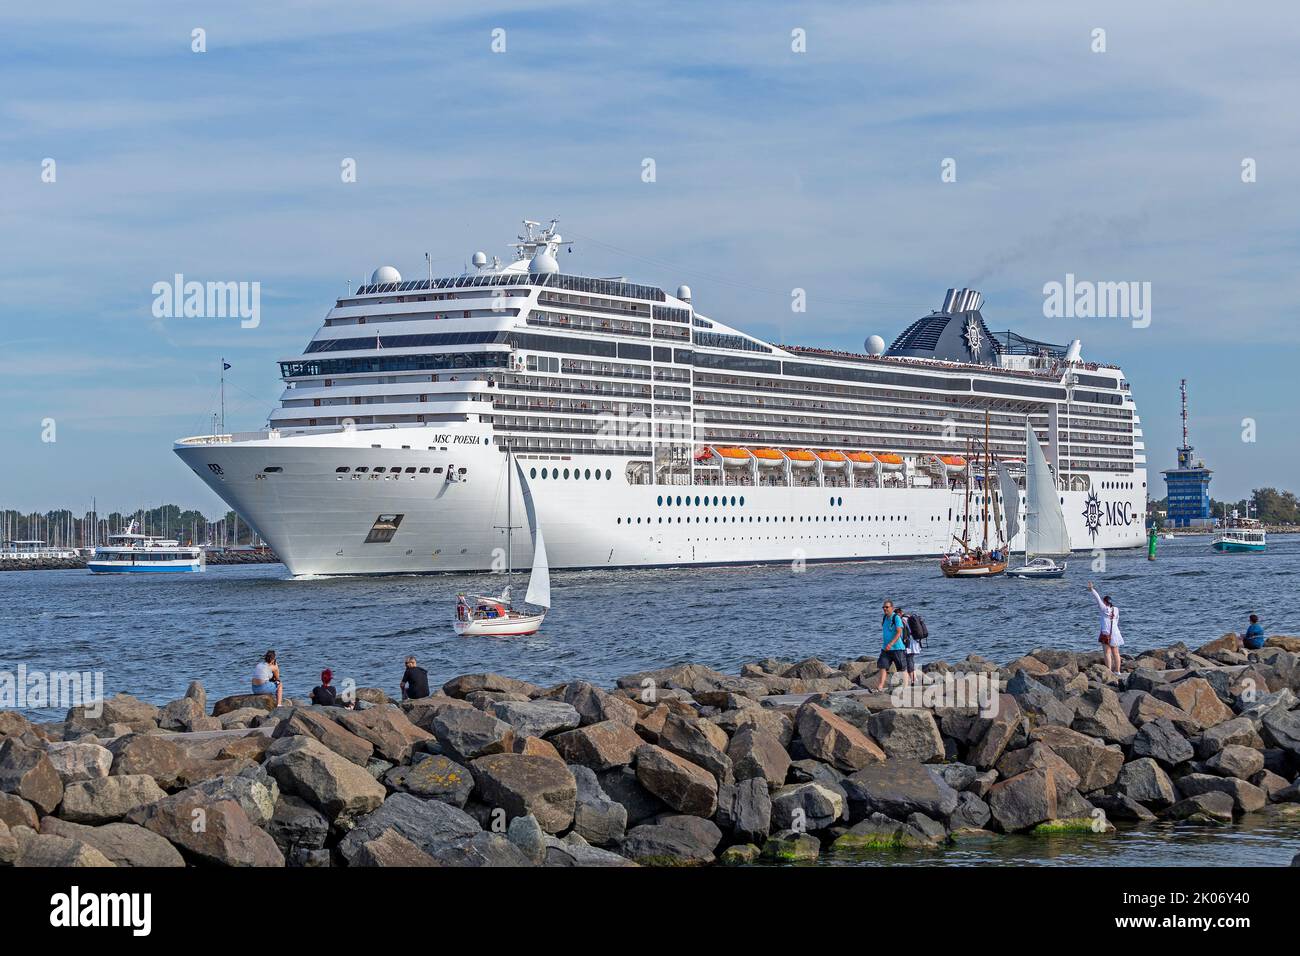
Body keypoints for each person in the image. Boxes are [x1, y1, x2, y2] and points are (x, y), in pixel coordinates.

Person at [1087, 582, 1124, 674]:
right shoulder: (1116, 609)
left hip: (1105, 633)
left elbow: (1097, 598)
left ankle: (1109, 671)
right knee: (1116, 653)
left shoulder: (1103, 608)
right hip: (1115, 633)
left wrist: (1092, 589)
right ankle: (1118, 671)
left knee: (1107, 653)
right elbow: (1117, 620)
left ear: (1105, 602)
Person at [875, 600, 912, 690]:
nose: (884, 609)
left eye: (887, 607)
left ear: (892, 608)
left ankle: (906, 687)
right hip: (886, 648)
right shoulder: (884, 618)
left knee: (902, 668)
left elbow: (899, 632)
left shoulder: (896, 618)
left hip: (897, 648)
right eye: (883, 607)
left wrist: (891, 643)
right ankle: (880, 686)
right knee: (882, 666)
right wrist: (887, 645)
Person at [896, 605, 921, 683]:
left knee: (908, 660)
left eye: (896, 615)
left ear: (899, 613)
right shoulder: (909, 617)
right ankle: (914, 678)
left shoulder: (902, 620)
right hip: (915, 641)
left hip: (908, 643)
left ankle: (913, 679)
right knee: (911, 660)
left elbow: (903, 633)